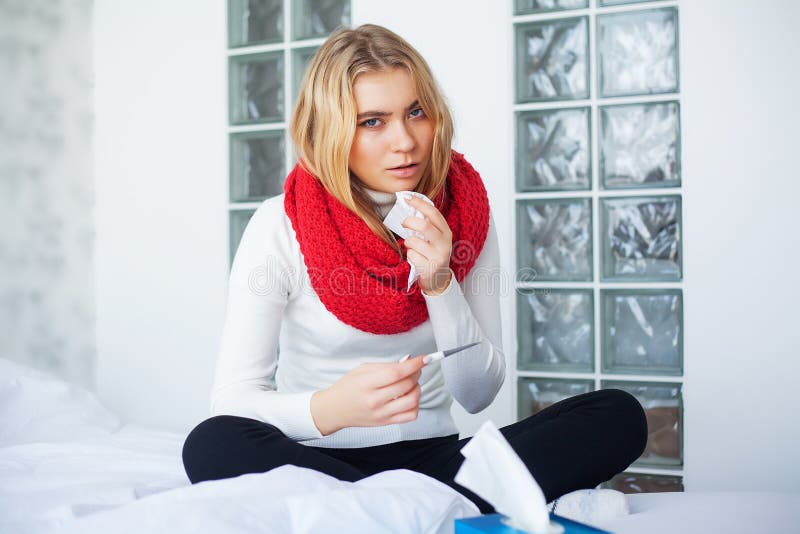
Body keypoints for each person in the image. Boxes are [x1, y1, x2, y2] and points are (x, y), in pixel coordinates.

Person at [182, 23, 647, 514]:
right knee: (211, 443)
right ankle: (428, 511)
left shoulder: (465, 214)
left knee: (618, 415)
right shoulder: (279, 224)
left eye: (416, 112)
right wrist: (331, 409)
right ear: (331, 128)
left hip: (436, 460)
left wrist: (440, 282)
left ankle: (381, 513)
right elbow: (232, 401)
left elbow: (477, 394)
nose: (405, 141)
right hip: (315, 459)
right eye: (372, 121)